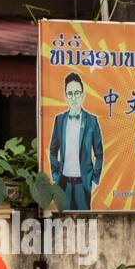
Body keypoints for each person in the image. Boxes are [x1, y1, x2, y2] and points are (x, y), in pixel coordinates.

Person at [48, 72, 104, 210]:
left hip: (83, 184)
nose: (74, 98)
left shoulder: (91, 121)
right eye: (70, 93)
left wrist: (95, 179)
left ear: (83, 95)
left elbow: (99, 153)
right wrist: (55, 175)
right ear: (65, 96)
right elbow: (53, 150)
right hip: (63, 184)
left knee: (84, 225)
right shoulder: (59, 120)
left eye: (77, 93)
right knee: (63, 225)